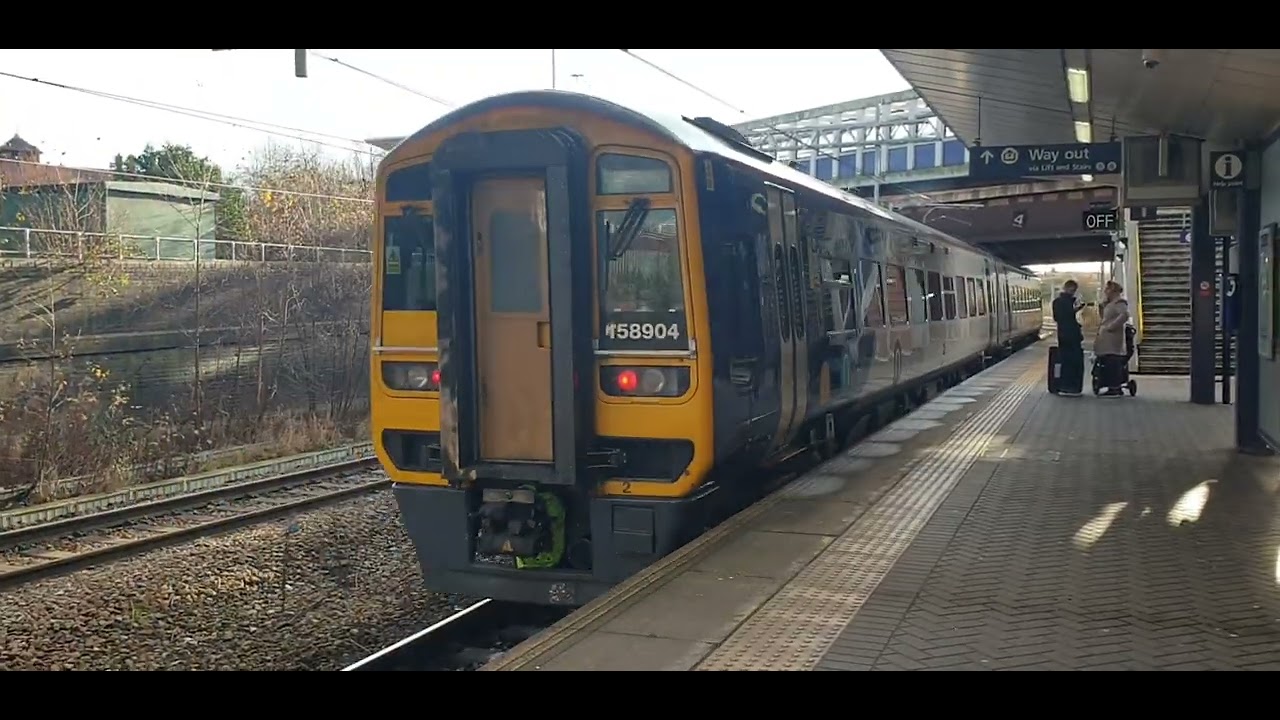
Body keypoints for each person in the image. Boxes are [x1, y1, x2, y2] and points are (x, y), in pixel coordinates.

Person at [1093, 282, 1131, 398]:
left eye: (1107, 289)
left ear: (1113, 291)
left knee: (1112, 361)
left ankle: (1115, 388)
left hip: (1112, 338)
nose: (1105, 291)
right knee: (1107, 361)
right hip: (1106, 338)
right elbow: (1104, 317)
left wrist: (1111, 327)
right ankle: (1110, 386)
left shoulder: (1119, 302)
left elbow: (1124, 315)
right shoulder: (1110, 303)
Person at [1051, 280, 1085, 396]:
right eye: (1072, 290)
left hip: (1062, 335)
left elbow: (1057, 318)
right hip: (1071, 336)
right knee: (1073, 361)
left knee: (1065, 360)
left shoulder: (1056, 302)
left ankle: (1064, 386)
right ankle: (1071, 386)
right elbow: (1066, 316)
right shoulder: (1070, 302)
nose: (1072, 292)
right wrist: (1075, 310)